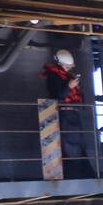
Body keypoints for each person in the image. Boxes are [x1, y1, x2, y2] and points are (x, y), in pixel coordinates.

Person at [42, 49, 96, 179]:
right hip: (64, 114)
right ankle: (76, 176)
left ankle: (84, 174)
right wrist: (69, 87)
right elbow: (57, 96)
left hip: (73, 112)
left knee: (77, 145)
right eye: (67, 66)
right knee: (71, 146)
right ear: (60, 64)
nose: (69, 68)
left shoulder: (68, 76)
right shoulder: (53, 76)